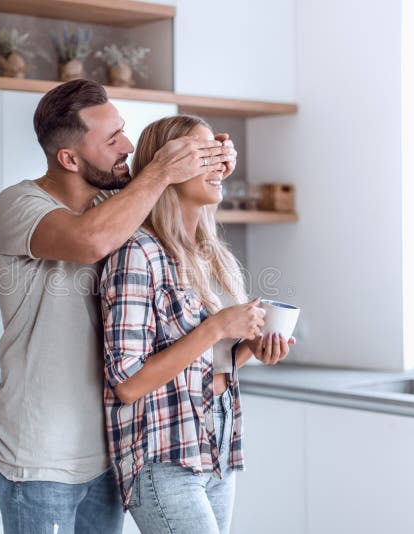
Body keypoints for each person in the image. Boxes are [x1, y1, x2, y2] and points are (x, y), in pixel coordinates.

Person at [0, 80, 238, 534]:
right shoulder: (19, 205)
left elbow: (173, 209)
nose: (126, 145)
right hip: (43, 455)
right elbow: (89, 240)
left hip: (109, 447)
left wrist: (212, 165)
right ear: (69, 159)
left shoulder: (118, 203)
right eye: (111, 140)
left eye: (123, 131)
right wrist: (161, 172)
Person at [100, 115, 295, 534]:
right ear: (169, 166)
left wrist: (248, 348)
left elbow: (206, 367)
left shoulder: (210, 254)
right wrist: (217, 328)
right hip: (163, 454)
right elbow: (128, 383)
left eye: (218, 153)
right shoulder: (137, 252)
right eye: (202, 154)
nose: (219, 166)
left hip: (217, 442)